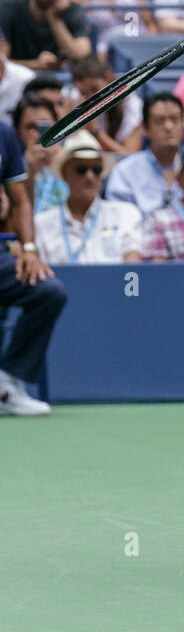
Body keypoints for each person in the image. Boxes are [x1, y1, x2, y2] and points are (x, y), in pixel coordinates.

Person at [0, 114, 67, 416]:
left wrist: (28, 248)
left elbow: (21, 201)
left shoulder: (3, 133)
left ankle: (7, 383)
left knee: (48, 291)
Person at [34, 129, 141, 264]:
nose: (89, 176)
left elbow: (133, 267)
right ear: (64, 172)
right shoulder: (42, 224)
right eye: (81, 169)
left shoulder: (125, 214)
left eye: (96, 170)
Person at [0, 0, 90, 71]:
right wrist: (35, 65)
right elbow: (1, 63)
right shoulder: (10, 7)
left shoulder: (72, 9)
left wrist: (55, 19)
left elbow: (81, 57)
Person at [105, 91, 184, 214]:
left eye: (174, 119)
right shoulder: (125, 171)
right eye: (160, 121)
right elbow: (119, 217)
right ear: (145, 128)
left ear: (183, 125)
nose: (168, 126)